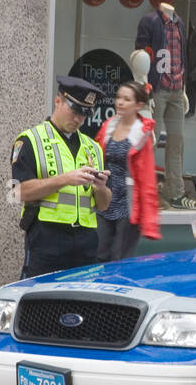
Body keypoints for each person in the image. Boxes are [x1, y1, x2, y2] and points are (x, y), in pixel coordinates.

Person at [12, 76, 112, 279]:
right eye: (74, 111)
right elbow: (17, 192)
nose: (78, 119)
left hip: (86, 241)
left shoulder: (93, 147)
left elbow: (103, 205)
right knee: (41, 302)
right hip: (47, 237)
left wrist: (100, 188)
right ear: (58, 102)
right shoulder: (31, 140)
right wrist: (64, 179)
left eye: (84, 114)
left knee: (85, 304)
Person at [94, 80, 161, 261]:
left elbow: (147, 180)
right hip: (105, 201)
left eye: (126, 99)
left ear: (138, 105)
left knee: (120, 258)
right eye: (118, 97)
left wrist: (149, 223)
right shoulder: (108, 127)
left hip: (128, 206)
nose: (120, 102)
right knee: (99, 255)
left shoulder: (141, 134)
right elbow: (94, 158)